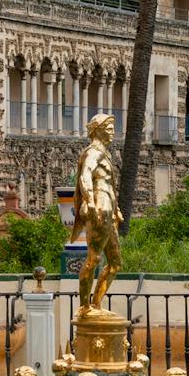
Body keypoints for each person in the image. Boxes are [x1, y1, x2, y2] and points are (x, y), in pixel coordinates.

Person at [74, 112, 120, 314]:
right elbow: (85, 176)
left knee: (115, 264)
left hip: (108, 207)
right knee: (94, 258)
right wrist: (90, 202)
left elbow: (110, 183)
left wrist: (116, 209)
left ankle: (96, 304)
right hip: (100, 207)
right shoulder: (94, 152)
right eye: (108, 129)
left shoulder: (104, 153)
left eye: (112, 129)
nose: (112, 133)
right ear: (98, 131)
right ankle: (85, 306)